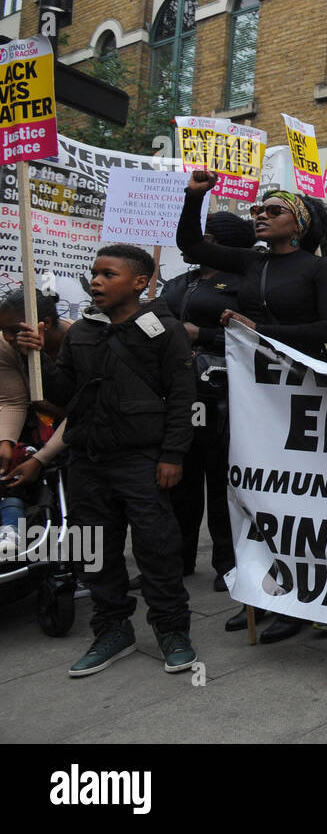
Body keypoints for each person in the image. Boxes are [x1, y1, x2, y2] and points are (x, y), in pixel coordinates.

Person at [178, 172, 327, 644]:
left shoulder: (318, 270)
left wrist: (261, 332)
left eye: (273, 211)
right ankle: (263, 592)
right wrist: (196, 196)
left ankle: (308, 594)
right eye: (258, 210)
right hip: (254, 395)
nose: (260, 216)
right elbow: (190, 242)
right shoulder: (251, 262)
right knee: (257, 493)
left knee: (302, 496)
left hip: (304, 394)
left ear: (299, 223)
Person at [15, 245, 196, 677]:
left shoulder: (163, 331)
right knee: (94, 549)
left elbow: (183, 398)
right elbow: (60, 397)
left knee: (156, 548)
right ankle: (112, 629)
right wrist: (36, 356)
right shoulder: (81, 333)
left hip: (142, 460)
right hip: (88, 462)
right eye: (94, 273)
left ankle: (172, 631)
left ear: (139, 283)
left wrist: (172, 454)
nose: (96, 281)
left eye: (108, 274)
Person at [159, 211, 254, 591]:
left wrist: (205, 335)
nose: (200, 244)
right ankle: (177, 559)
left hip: (222, 394)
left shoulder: (241, 284)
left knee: (219, 480)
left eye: (209, 237)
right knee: (180, 478)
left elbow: (253, 335)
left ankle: (226, 562)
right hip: (179, 393)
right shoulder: (179, 283)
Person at [0, 290, 70, 558]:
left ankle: (84, 567)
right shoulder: (5, 346)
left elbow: (79, 413)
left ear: (46, 325)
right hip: (37, 427)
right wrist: (5, 442)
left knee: (81, 500)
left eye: (13, 330)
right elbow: (12, 401)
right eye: (2, 330)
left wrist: (40, 460)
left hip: (83, 430)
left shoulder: (81, 340)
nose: (8, 337)